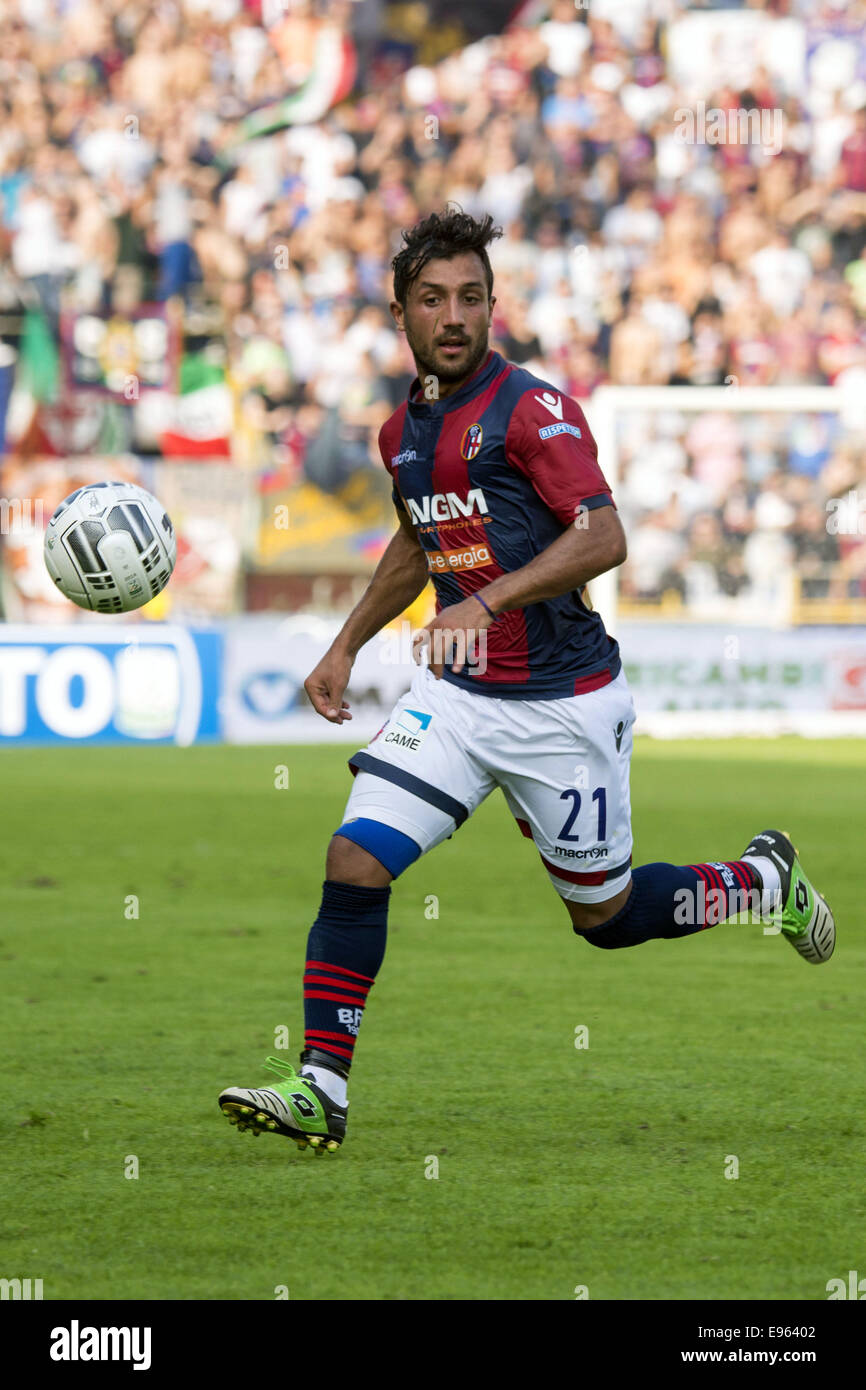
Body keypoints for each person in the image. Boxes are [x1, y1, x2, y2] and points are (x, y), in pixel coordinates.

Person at [219, 208, 836, 1153]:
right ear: (402, 315)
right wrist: (345, 645)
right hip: (459, 704)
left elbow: (605, 536)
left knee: (609, 917)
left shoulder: (534, 411)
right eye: (433, 300)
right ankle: (320, 1088)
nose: (454, 316)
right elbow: (417, 543)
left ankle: (759, 882)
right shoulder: (403, 434)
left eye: (471, 297)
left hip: (565, 708)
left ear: (493, 306)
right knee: (354, 863)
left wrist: (487, 602)